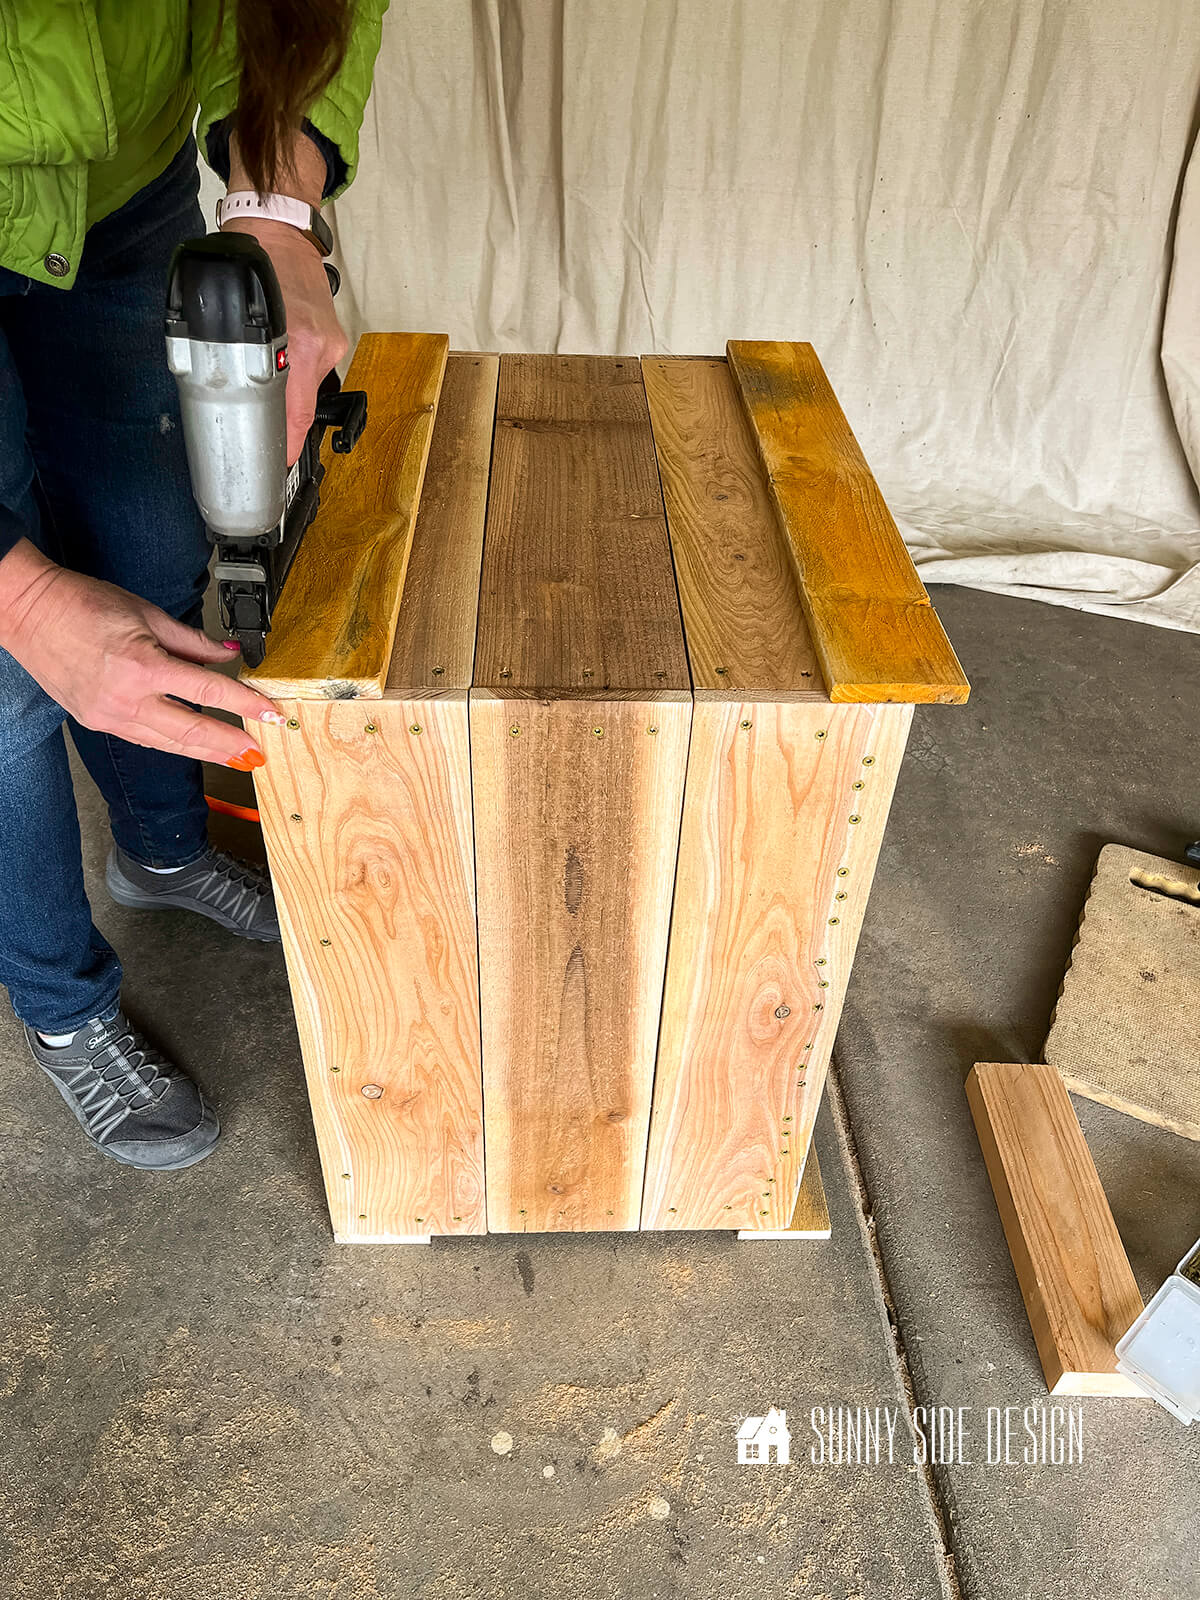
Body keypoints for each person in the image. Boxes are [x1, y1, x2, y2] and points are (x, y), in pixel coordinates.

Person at [0, 3, 387, 1170]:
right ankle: (61, 1001)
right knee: (10, 693)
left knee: (154, 544)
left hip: (121, 190)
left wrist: (279, 213)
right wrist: (21, 604)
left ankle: (160, 848)